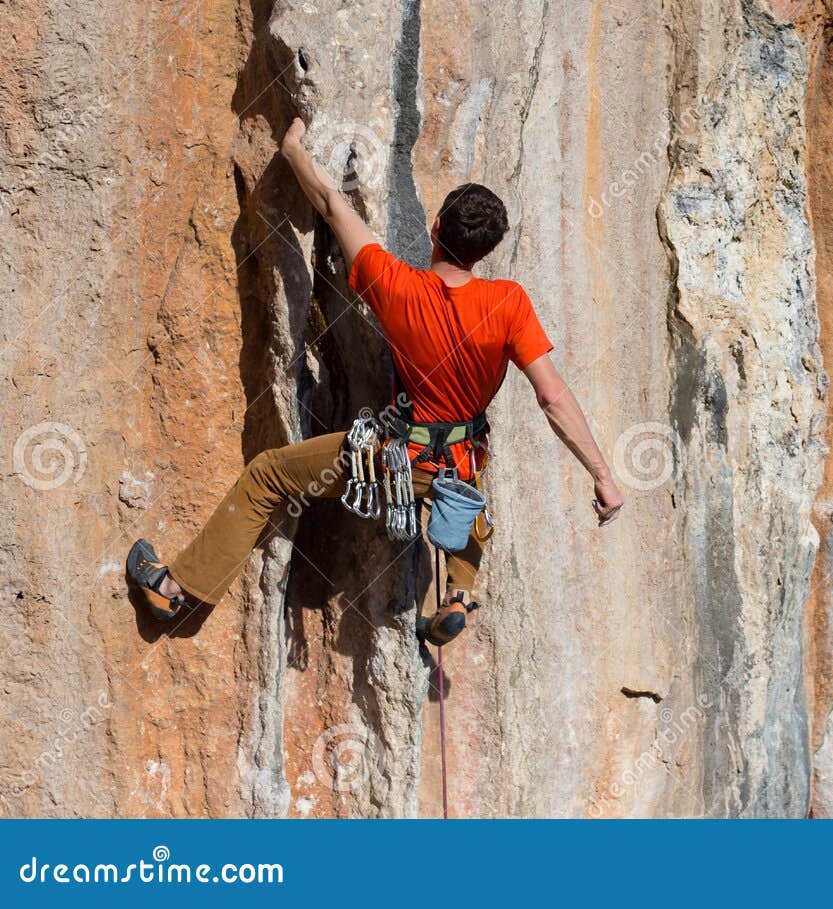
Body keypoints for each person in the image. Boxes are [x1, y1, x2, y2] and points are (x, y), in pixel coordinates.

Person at [127, 116, 623, 643]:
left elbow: (331, 204)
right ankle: (457, 591)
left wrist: (294, 148)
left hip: (390, 460)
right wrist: (603, 476)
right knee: (466, 478)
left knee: (269, 476)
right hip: (455, 464)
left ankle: (173, 588)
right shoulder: (509, 303)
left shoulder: (396, 286)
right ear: (486, 250)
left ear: (435, 227)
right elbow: (551, 395)